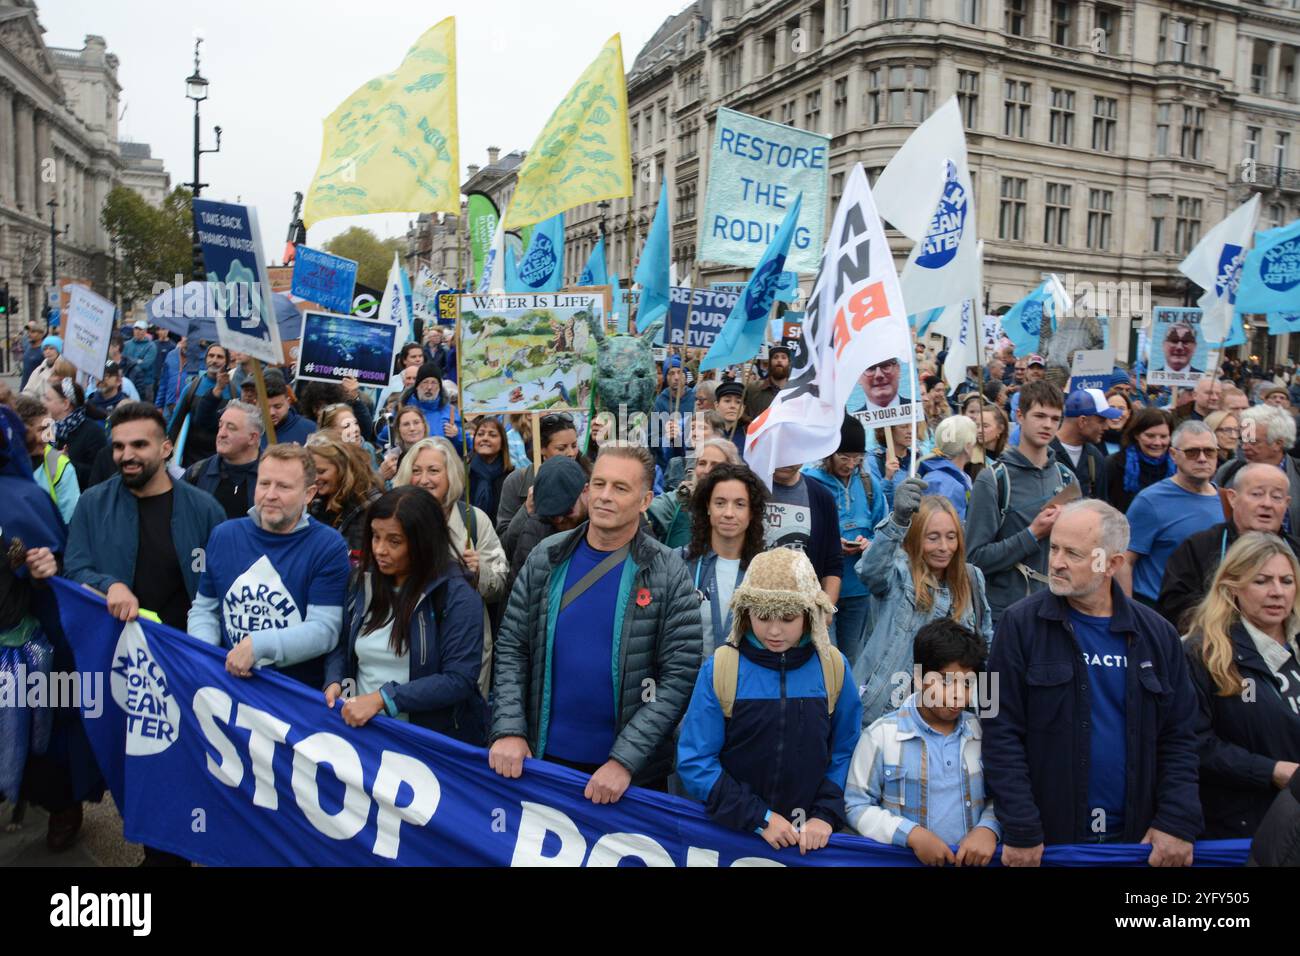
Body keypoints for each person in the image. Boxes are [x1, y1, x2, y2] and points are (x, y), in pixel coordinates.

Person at [33, 402, 225, 866]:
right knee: (136, 768)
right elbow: (76, 564)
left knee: (180, 769)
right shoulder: (95, 504)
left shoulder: (204, 509)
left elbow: (222, 587)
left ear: (164, 447)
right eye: (119, 446)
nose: (126, 455)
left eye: (139, 444)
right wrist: (108, 585)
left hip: (184, 668)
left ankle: (170, 857)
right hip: (120, 666)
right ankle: (155, 851)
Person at [983, 499, 1202, 861]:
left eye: (1073, 553)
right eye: (1053, 548)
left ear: (1112, 563)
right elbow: (995, 727)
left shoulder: (1160, 636)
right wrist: (1020, 825)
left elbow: (1181, 736)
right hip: (1048, 844)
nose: (1055, 562)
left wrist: (1177, 821)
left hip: (1138, 842)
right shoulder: (1015, 625)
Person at [489, 443, 702, 799]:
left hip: (626, 780)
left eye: (620, 488)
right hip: (539, 762)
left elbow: (678, 677)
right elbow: (512, 646)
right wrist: (509, 729)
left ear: (646, 500)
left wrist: (625, 760)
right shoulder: (547, 556)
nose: (605, 496)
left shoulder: (669, 572)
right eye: (598, 484)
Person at [676, 547, 861, 852]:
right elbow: (695, 761)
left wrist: (825, 815)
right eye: (762, 617)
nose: (774, 631)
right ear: (745, 612)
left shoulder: (834, 668)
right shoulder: (722, 667)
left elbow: (846, 751)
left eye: (788, 618)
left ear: (810, 614)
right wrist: (758, 817)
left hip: (810, 839)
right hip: (734, 834)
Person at [323, 487, 488, 743]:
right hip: (365, 736)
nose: (379, 549)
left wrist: (383, 699)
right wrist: (335, 680)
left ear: (423, 542)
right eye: (375, 537)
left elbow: (459, 679)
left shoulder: (457, 595)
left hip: (426, 744)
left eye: (394, 541)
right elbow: (343, 645)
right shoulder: (361, 582)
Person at [187, 443, 349, 689]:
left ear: (309, 493)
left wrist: (258, 645)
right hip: (225, 685)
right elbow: (204, 609)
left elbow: (325, 631)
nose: (270, 494)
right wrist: (205, 655)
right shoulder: (224, 535)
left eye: (283, 486)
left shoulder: (328, 545)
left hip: (290, 698)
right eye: (264, 483)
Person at [845, 619, 1000, 866]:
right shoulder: (881, 735)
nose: (958, 693)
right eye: (945, 681)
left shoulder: (983, 734)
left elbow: (1002, 795)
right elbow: (856, 805)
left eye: (968, 682)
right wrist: (911, 834)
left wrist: (989, 829)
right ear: (918, 678)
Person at [1182, 532, 1300, 839]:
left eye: (1286, 581)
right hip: (1244, 829)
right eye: (1262, 581)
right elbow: (1194, 745)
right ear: (1233, 587)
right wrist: (1273, 771)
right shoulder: (1201, 653)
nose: (1277, 592)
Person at [855, 480, 992, 725]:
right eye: (933, 537)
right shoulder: (898, 572)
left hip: (950, 712)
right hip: (890, 711)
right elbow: (870, 571)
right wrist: (897, 521)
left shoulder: (972, 578)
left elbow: (985, 648)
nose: (944, 547)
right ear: (917, 538)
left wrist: (989, 716)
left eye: (951, 537)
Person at [394, 436, 508, 695]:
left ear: (451, 475)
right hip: (405, 645)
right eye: (416, 471)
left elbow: (502, 579)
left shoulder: (475, 521)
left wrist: (481, 572)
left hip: (464, 649)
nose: (424, 479)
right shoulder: (394, 520)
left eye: (433, 470)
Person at [966, 381, 1076, 625]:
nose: (1047, 424)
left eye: (1054, 418)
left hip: (1058, 612)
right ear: (1020, 416)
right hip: (1006, 617)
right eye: (1039, 415)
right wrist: (1032, 534)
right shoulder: (993, 479)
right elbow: (973, 558)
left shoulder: (1066, 477)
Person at [1158, 464, 1300, 632]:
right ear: (1232, 498)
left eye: (1277, 497)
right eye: (1257, 494)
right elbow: (1174, 607)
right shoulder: (1200, 546)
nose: (1267, 503)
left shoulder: (1295, 550)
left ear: (1287, 503)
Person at [1124, 421, 1223, 606]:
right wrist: (1129, 615)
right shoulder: (1150, 501)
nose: (1202, 458)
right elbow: (1124, 561)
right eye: (1192, 452)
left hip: (1210, 615)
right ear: (1173, 455)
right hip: (1158, 613)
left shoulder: (1228, 501)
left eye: (1209, 451)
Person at [680, 462, 769, 655]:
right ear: (708, 507)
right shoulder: (678, 563)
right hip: (689, 680)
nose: (729, 513)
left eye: (740, 504)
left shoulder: (766, 570)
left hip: (746, 681)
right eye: (720, 503)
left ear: (752, 512)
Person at [504, 455, 589, 596]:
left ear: (585, 491)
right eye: (552, 514)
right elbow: (515, 596)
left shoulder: (603, 528)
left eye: (567, 510)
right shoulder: (534, 530)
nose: (559, 520)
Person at [766, 457, 842, 609]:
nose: (786, 460)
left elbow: (832, 561)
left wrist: (826, 610)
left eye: (793, 452)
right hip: (753, 608)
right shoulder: (746, 489)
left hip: (804, 609)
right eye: (780, 451)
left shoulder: (821, 496)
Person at [1215, 404, 1300, 534]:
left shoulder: (1297, 473)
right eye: (1243, 440)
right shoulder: (1228, 471)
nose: (1245, 447)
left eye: (1254, 442)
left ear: (1278, 444)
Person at [495, 412, 581, 534]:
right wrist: (526, 509)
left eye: (574, 445)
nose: (571, 453)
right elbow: (504, 544)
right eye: (561, 448)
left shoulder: (588, 480)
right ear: (542, 449)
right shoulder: (516, 481)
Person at [647, 438, 741, 549]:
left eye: (715, 465)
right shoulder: (679, 501)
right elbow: (643, 513)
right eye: (702, 463)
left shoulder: (741, 508)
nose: (706, 470)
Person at [307, 432, 383, 564]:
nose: (314, 478)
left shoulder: (369, 505)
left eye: (321, 472)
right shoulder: (316, 499)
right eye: (310, 471)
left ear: (342, 468)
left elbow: (362, 562)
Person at [182, 400, 263, 520]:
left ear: (252, 438)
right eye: (220, 426)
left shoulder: (273, 476)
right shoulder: (197, 473)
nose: (221, 434)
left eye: (231, 428)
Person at [166, 343, 236, 468]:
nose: (214, 360)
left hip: (222, 459)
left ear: (226, 362)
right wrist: (166, 453)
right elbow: (175, 422)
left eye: (219, 357)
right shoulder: (191, 388)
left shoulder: (234, 391)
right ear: (206, 359)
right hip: (192, 458)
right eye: (211, 356)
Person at [13, 394, 79, 525]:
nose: (50, 437)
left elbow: (72, 524)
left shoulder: (60, 466)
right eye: (42, 429)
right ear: (19, 430)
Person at [1103, 407, 1176, 514]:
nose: (1157, 442)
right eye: (1150, 436)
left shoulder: (1178, 465)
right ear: (1136, 435)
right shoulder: (1115, 463)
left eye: (1163, 436)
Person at [1052, 388, 1117, 500]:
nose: (1106, 427)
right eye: (1101, 421)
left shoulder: (1095, 456)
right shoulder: (1044, 452)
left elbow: (1100, 506)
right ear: (1082, 421)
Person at [42, 379, 106, 492]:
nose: (42, 403)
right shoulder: (47, 426)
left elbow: (99, 474)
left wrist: (68, 463)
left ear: (66, 404)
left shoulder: (93, 432)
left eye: (48, 399)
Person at [916, 415, 976, 520]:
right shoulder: (941, 483)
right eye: (975, 441)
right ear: (967, 447)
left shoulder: (960, 476)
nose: (976, 445)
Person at [466, 417, 514, 523]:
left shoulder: (512, 477)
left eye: (492, 435)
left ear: (502, 442)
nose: (485, 438)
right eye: (480, 434)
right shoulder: (463, 473)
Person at [652, 356, 696, 470]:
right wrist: (667, 437)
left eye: (680, 372)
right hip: (667, 463)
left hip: (691, 460)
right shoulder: (659, 402)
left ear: (686, 376)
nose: (676, 377)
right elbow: (653, 438)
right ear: (666, 378)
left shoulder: (695, 398)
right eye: (671, 373)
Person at [404, 362, 461, 445]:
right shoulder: (402, 407)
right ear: (417, 385)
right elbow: (384, 438)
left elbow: (466, 447)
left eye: (434, 383)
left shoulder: (450, 412)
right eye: (425, 382)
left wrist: (457, 434)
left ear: (440, 387)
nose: (429, 387)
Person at [260, 369, 317, 447]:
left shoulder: (310, 430)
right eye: (266, 407)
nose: (271, 413)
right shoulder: (253, 431)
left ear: (288, 402)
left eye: (278, 407)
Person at [319, 401, 381, 468]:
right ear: (330, 433)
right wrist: (382, 474)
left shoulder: (368, 448)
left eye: (355, 423)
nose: (355, 429)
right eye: (347, 426)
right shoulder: (326, 461)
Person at [379, 405, 430, 484]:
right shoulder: (391, 459)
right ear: (398, 429)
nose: (412, 428)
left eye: (416, 422)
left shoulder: (436, 453)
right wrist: (381, 476)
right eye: (406, 424)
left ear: (424, 425)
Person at [743, 344, 791, 420]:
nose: (779, 360)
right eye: (775, 357)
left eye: (783, 357)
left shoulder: (795, 391)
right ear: (769, 363)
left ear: (789, 363)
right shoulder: (753, 388)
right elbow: (741, 412)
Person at [122, 320, 158, 404]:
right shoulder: (126, 344)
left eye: (140, 329)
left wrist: (130, 361)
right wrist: (138, 360)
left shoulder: (151, 346)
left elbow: (145, 365)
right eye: (136, 329)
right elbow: (122, 362)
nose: (138, 331)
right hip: (128, 382)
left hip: (146, 384)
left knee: (146, 411)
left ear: (145, 331)